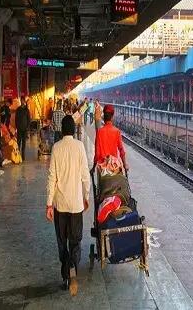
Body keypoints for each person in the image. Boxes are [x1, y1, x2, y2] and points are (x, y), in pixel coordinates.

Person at [46, 115, 90, 296]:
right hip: (76, 204)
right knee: (76, 240)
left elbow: (51, 177)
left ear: (62, 130)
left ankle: (65, 275)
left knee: (61, 240)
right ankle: (73, 267)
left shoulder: (56, 148)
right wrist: (86, 196)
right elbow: (85, 175)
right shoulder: (79, 147)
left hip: (61, 205)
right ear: (73, 130)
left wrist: (49, 204)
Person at [93, 104, 128, 171]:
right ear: (112, 117)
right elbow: (121, 150)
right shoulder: (117, 131)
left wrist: (94, 167)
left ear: (103, 117)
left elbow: (97, 153)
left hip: (102, 168)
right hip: (114, 166)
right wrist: (125, 164)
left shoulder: (99, 132)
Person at [16, 96, 30, 161]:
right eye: (21, 100)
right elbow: (16, 119)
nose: (22, 101)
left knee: (24, 142)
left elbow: (29, 119)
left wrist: (27, 127)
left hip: (25, 128)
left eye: (23, 100)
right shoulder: (18, 109)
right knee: (18, 142)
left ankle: (23, 156)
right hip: (19, 128)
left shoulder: (27, 110)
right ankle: (18, 155)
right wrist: (17, 126)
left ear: (24, 101)